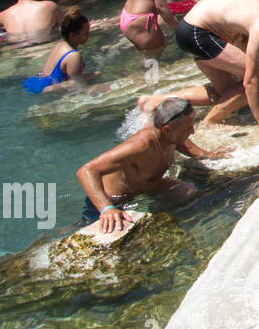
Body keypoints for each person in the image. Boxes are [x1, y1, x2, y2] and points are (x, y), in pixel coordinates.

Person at [76, 99, 232, 232]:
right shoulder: (140, 145)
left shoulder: (170, 136)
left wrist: (208, 154)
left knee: (191, 193)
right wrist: (106, 208)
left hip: (151, 187)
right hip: (116, 200)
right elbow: (86, 170)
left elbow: (183, 143)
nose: (192, 132)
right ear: (166, 129)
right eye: (187, 128)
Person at [22, 9, 91, 94]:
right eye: (85, 33)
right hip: (45, 90)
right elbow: (79, 87)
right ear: (72, 35)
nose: (89, 36)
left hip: (35, 82)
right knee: (79, 81)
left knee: (94, 74)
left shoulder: (60, 45)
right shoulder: (74, 56)